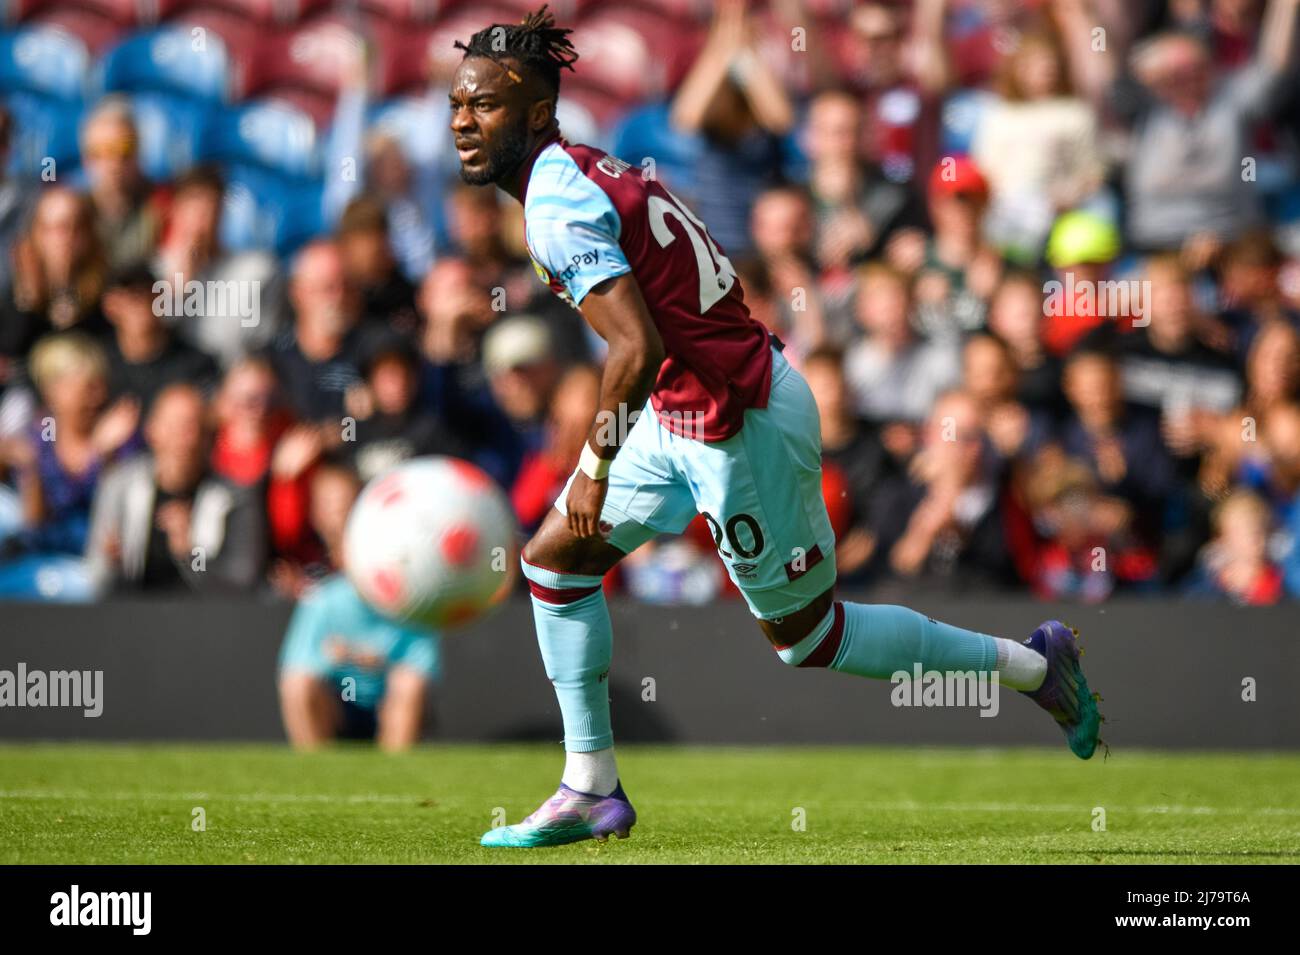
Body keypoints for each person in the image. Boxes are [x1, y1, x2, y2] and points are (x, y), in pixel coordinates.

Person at [449, 7, 1103, 850]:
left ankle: (1036, 665)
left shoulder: (555, 199)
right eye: (458, 105)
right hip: (685, 405)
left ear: (537, 112)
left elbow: (635, 347)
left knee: (811, 638)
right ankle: (589, 785)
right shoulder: (575, 172)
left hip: (736, 415)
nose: (465, 120)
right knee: (554, 562)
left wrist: (592, 468)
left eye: (487, 105)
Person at [278, 461, 440, 749]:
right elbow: (297, 666)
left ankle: (399, 777)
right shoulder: (317, 592)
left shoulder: (403, 586)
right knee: (297, 686)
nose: (337, 514)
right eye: (327, 503)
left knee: (408, 685)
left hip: (389, 700)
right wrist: (336, 657)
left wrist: (381, 660)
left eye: (344, 503)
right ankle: (314, 774)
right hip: (336, 706)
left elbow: (421, 661)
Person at [84, 382, 266, 594]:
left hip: (204, 618)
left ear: (207, 435)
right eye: (173, 426)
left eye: (191, 426)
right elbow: (97, 574)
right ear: (151, 431)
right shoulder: (120, 487)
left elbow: (240, 584)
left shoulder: (234, 497)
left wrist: (190, 553)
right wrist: (112, 564)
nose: (183, 439)